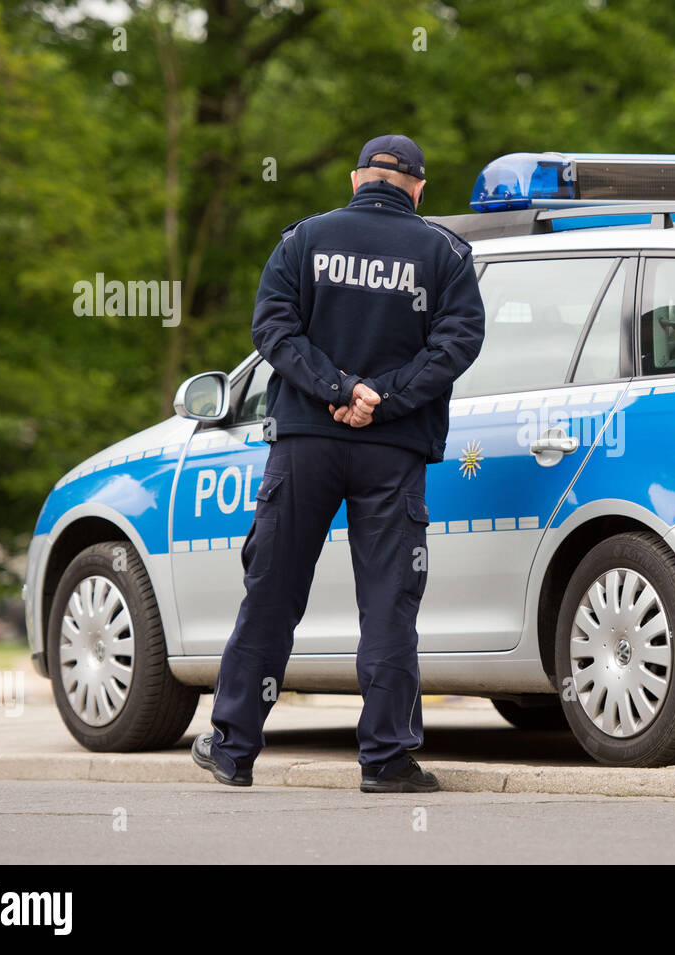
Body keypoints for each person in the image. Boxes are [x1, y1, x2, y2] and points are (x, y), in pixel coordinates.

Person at [191, 134, 485, 793]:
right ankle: (384, 759)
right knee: (387, 601)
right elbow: (459, 340)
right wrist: (382, 399)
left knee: (272, 593)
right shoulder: (444, 253)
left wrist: (334, 387)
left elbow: (272, 327)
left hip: (304, 442)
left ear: (357, 179)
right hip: (394, 449)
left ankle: (233, 748)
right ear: (418, 188)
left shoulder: (303, 240)